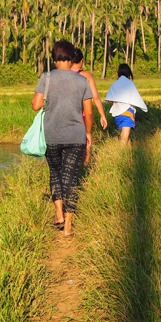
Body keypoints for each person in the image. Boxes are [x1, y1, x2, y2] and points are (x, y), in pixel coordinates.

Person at [31, 40, 93, 237]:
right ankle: (68, 227)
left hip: (52, 135)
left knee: (55, 173)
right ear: (71, 57)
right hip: (75, 135)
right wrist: (88, 133)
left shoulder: (47, 78)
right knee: (71, 178)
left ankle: (58, 214)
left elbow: (35, 105)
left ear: (55, 57)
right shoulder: (82, 80)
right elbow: (89, 112)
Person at [71, 47, 108, 163]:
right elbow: (95, 97)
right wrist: (102, 115)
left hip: (65, 115)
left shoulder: (62, 76)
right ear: (81, 61)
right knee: (86, 144)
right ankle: (84, 169)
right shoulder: (87, 76)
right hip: (82, 116)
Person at [105, 63, 146, 144]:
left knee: (127, 138)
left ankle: (128, 155)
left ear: (118, 73)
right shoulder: (130, 83)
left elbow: (110, 101)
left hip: (117, 115)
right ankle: (121, 155)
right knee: (124, 139)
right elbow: (136, 99)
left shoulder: (114, 84)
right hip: (128, 114)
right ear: (128, 73)